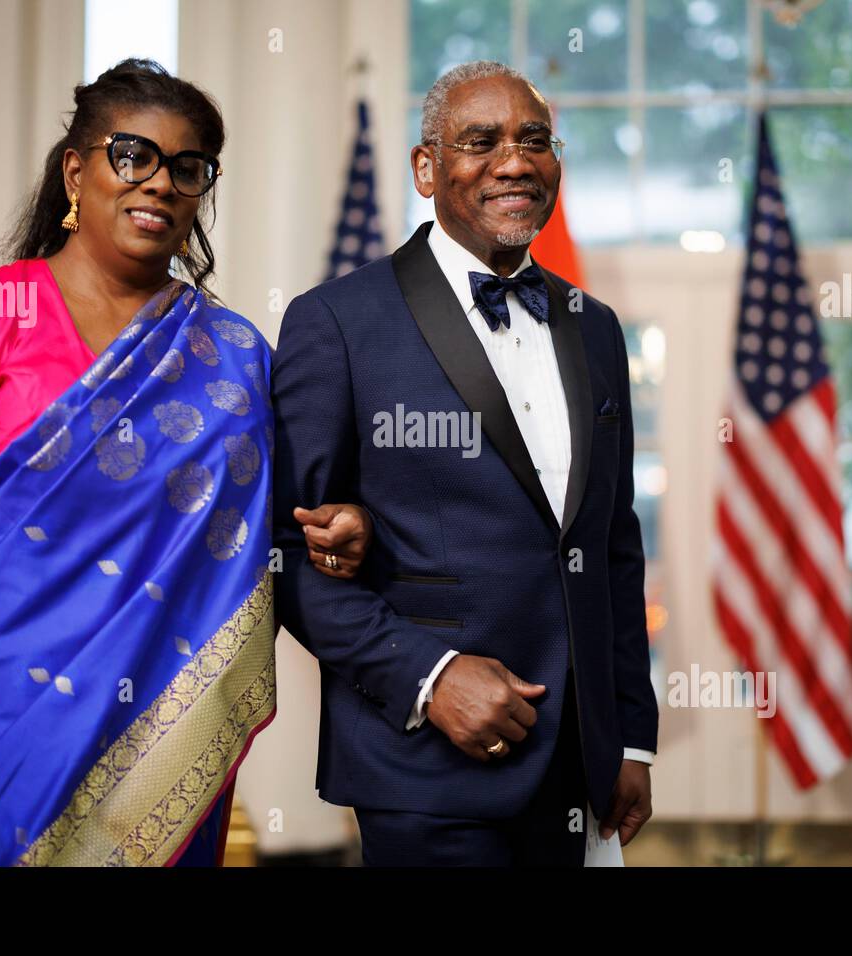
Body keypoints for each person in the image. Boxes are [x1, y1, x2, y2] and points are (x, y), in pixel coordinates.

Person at [0, 59, 370, 867]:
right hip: (6, 714)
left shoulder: (238, 353)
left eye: (188, 168)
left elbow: (277, 535)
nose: (161, 184)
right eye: (132, 155)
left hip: (170, 725)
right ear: (77, 170)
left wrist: (343, 529)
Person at [272, 61, 659, 866]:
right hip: (426, 769)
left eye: (535, 142)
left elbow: (611, 543)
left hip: (580, 770)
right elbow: (285, 556)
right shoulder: (336, 323)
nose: (514, 162)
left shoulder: (595, 326)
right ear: (426, 167)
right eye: (480, 142)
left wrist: (629, 735)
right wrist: (431, 676)